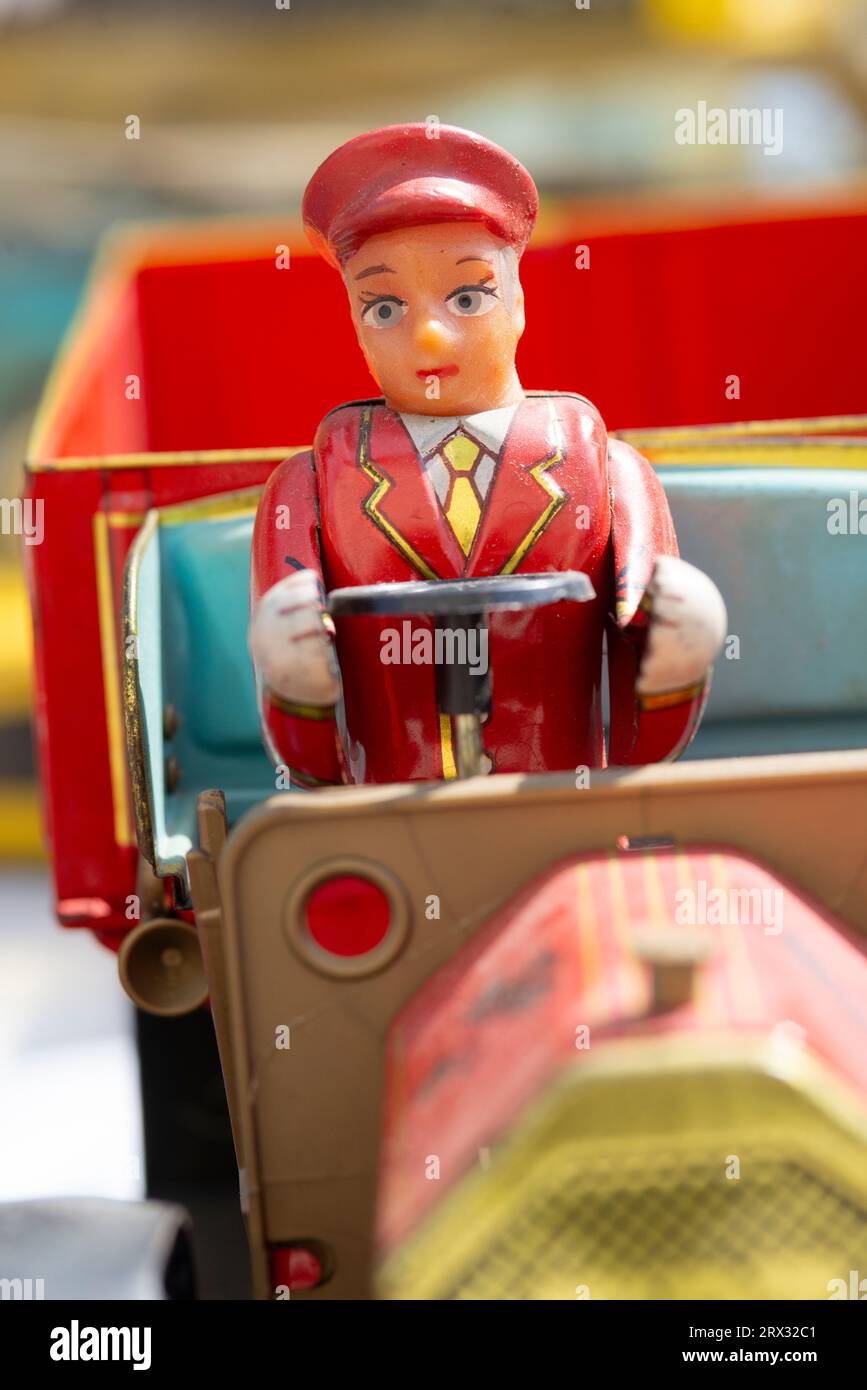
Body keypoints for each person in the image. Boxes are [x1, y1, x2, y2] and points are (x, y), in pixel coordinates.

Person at [249, 123, 726, 786]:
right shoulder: (310, 487)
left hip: (562, 807)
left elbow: (643, 664)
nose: (430, 335)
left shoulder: (605, 470)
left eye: (468, 298)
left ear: (519, 302)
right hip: (386, 827)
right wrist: (291, 666)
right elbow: (305, 750)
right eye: (383, 308)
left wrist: (679, 643)